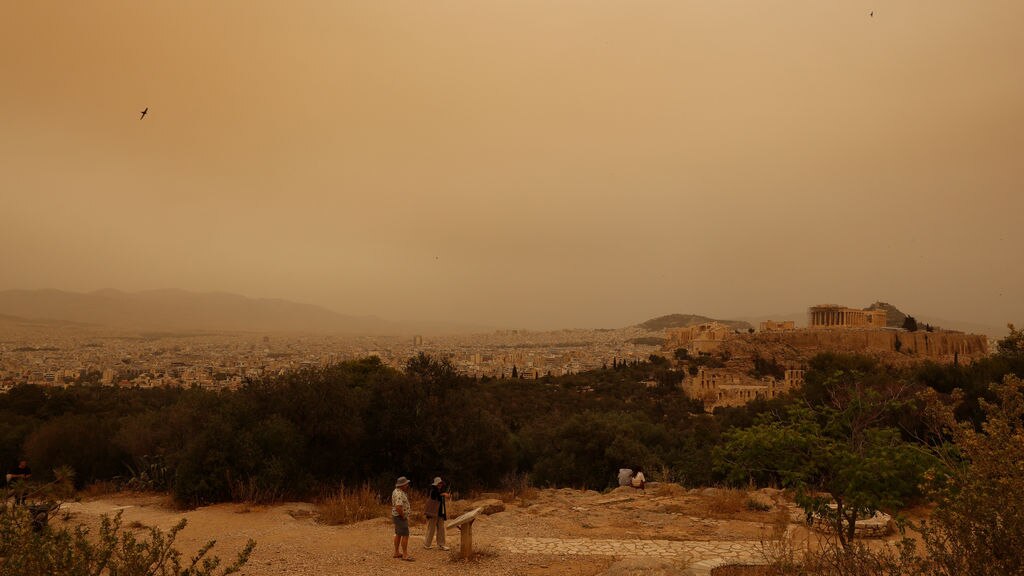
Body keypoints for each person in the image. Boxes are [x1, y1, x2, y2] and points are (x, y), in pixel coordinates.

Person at [423, 476, 451, 550]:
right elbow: (435, 496)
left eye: (441, 483)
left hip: (440, 512)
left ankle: (441, 545)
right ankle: (427, 544)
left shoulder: (440, 491)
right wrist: (443, 494)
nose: (440, 485)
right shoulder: (433, 490)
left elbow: (441, 497)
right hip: (433, 512)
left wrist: (444, 494)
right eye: (439, 483)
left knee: (441, 529)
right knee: (431, 529)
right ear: (435, 484)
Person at [391, 476, 414, 561]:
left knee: (398, 534)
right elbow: (398, 507)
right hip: (400, 516)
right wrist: (403, 515)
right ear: (402, 485)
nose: (407, 485)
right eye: (406, 484)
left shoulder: (396, 491)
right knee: (405, 534)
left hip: (397, 516)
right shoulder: (399, 493)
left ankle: (396, 552)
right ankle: (405, 555)